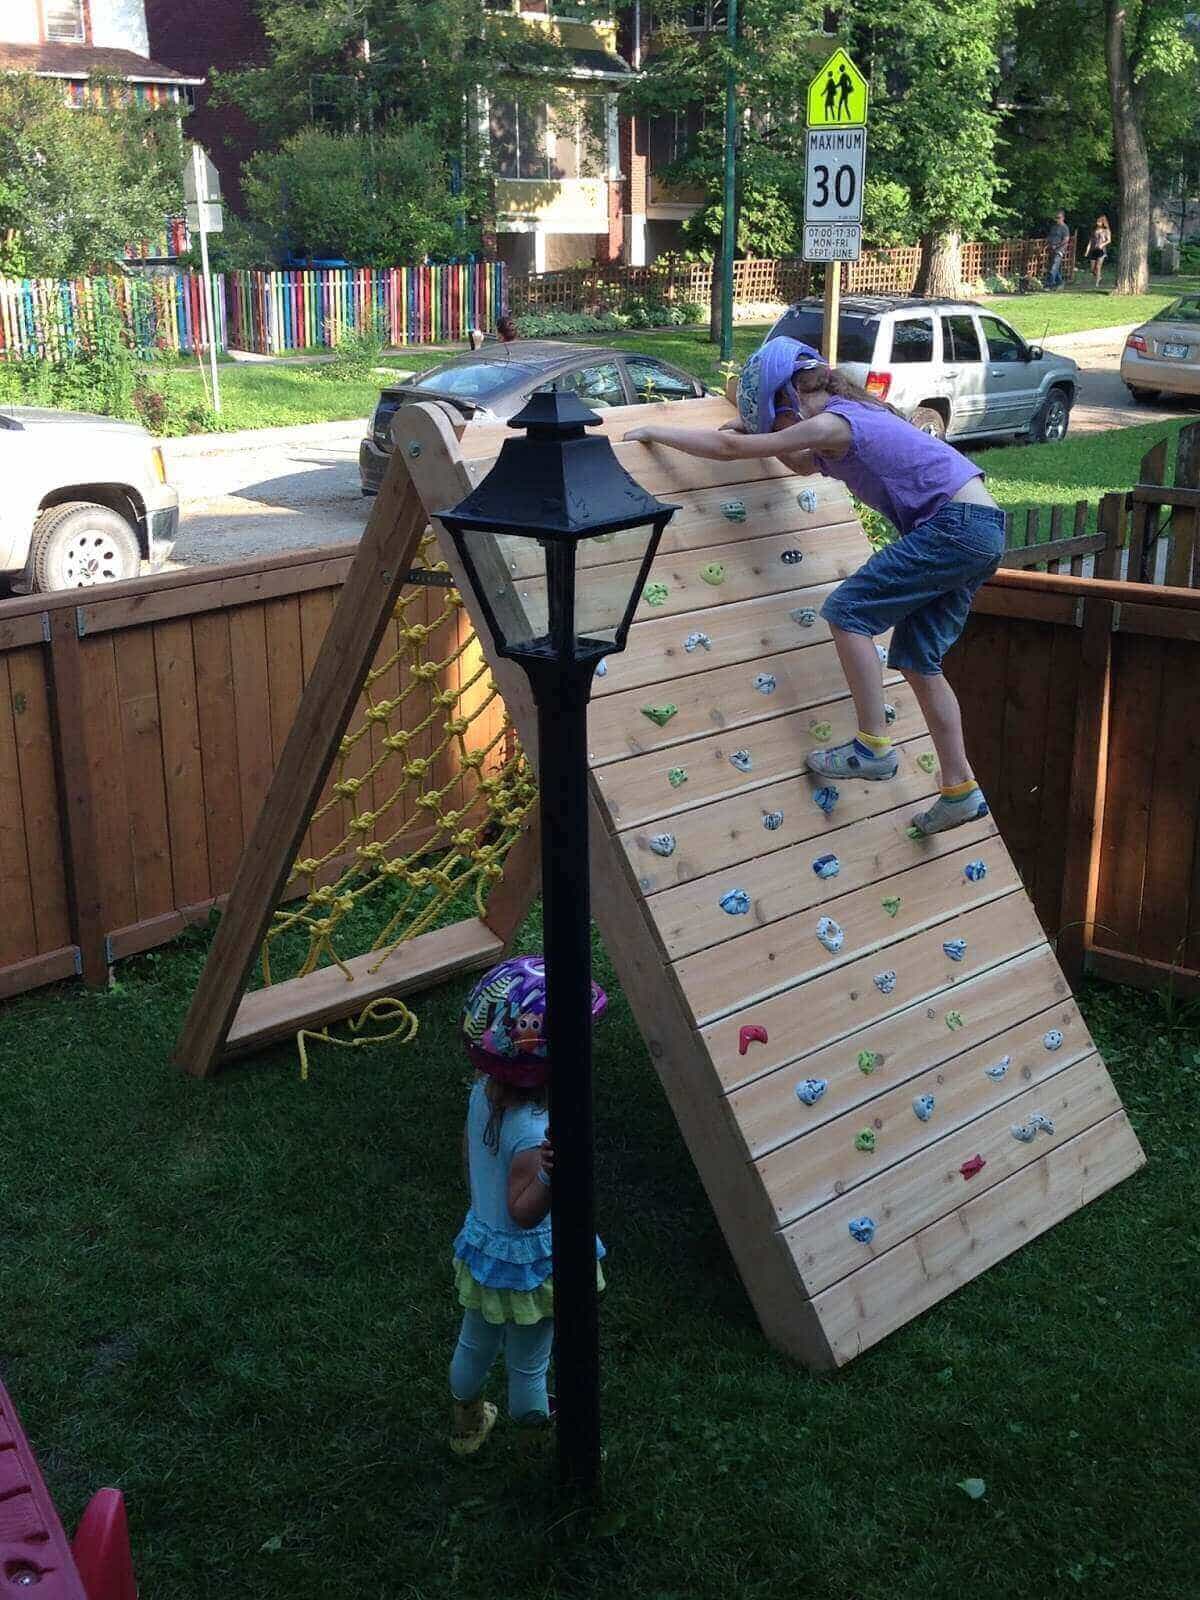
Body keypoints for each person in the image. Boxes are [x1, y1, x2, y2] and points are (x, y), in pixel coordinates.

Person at [623, 337, 1005, 837]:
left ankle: (871, 747)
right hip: (981, 528)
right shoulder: (845, 422)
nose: (780, 433)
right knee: (918, 660)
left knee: (848, 613)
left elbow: (731, 448)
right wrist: (759, 432)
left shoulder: (834, 423)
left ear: (790, 399)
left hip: (954, 526)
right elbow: (801, 463)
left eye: (775, 421)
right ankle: (959, 788)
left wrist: (655, 430)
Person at [447, 955, 607, 1457]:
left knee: (475, 1341)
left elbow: (470, 1153)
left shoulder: (483, 1094)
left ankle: (465, 1422)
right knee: (530, 1360)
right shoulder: (535, 1131)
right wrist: (549, 1174)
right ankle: (540, 1433)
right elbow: (524, 1212)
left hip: (485, 1245)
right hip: (529, 1262)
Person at [1046, 211, 1071, 289]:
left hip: (1059, 250)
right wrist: (1048, 244)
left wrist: (1057, 246)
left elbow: (1066, 239)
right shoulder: (1054, 227)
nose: (1057, 219)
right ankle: (1060, 283)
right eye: (1056, 218)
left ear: (1063, 218)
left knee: (1053, 267)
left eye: (1059, 218)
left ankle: (1049, 284)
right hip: (1052, 249)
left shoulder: (1064, 228)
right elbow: (1050, 237)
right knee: (1056, 267)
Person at [1086, 215, 1112, 288]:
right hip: (1093, 250)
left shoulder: (1106, 230)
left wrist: (1102, 244)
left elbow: (1109, 240)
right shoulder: (1094, 230)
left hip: (1101, 251)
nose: (1097, 223)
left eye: (1099, 222)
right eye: (1097, 222)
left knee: (1098, 267)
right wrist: (1087, 249)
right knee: (1092, 268)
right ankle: (1098, 276)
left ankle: (1097, 283)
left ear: (1103, 223)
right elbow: (1091, 240)